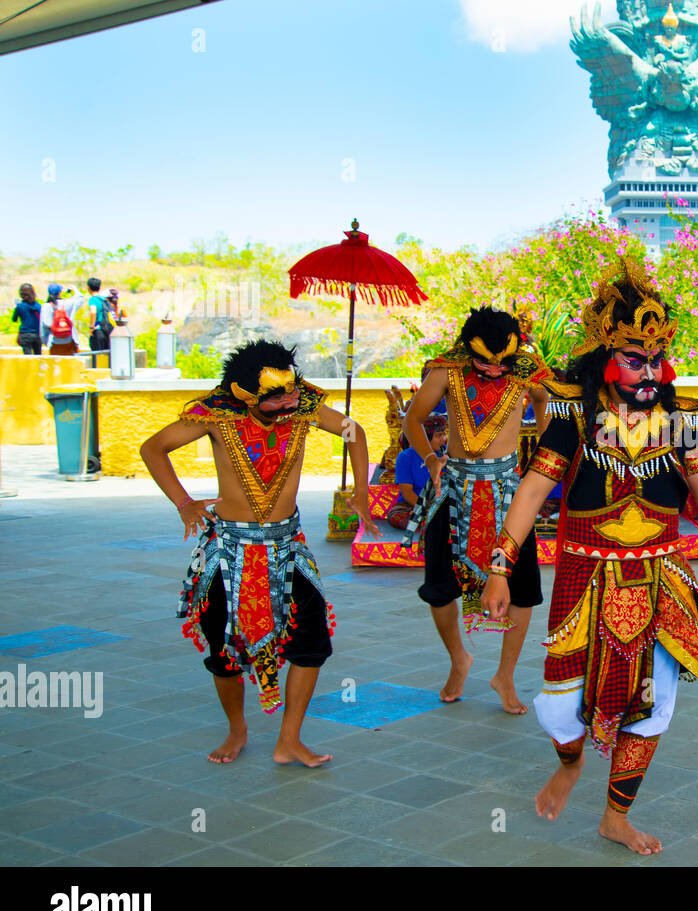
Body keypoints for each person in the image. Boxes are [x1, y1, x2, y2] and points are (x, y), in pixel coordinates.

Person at [482, 255, 698, 854]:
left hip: (660, 576)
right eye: (635, 358)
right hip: (585, 575)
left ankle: (615, 816)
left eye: (656, 358)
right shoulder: (575, 420)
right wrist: (501, 566)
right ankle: (571, 762)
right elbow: (531, 491)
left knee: (652, 707)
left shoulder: (680, 422)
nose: (649, 370)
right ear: (607, 355)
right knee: (558, 708)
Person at [139, 339, 379, 767]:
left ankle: (289, 739)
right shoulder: (215, 415)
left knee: (311, 645)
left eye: (292, 391)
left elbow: (354, 432)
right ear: (246, 395)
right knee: (225, 650)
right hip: (228, 551)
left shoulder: (303, 405)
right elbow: (153, 448)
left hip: (288, 549)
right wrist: (183, 502)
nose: (290, 401)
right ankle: (237, 728)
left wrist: (362, 491)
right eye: (278, 397)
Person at [401, 308, 553, 715]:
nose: (493, 370)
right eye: (485, 361)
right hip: (452, 487)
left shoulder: (526, 371)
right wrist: (431, 458)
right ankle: (458, 659)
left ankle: (505, 674)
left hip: (508, 491)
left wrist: (546, 453)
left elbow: (546, 410)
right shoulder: (445, 370)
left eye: (501, 362)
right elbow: (412, 419)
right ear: (469, 350)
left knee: (525, 590)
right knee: (438, 586)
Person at [388, 414, 447, 530]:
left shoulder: (444, 456)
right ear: (425, 438)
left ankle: (430, 523)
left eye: (444, 434)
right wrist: (423, 509)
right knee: (396, 517)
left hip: (439, 505)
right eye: (439, 435)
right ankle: (433, 524)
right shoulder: (405, 456)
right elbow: (407, 492)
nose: (443, 439)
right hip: (410, 505)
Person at [44, 286, 79, 355]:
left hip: (53, 341)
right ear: (59, 293)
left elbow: (45, 325)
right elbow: (80, 299)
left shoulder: (47, 306)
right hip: (69, 339)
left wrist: (45, 342)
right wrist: (74, 290)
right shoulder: (68, 303)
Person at [11, 284, 42, 354]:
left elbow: (14, 319)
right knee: (38, 356)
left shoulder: (20, 306)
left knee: (28, 357)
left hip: (25, 334)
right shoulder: (38, 306)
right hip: (37, 334)